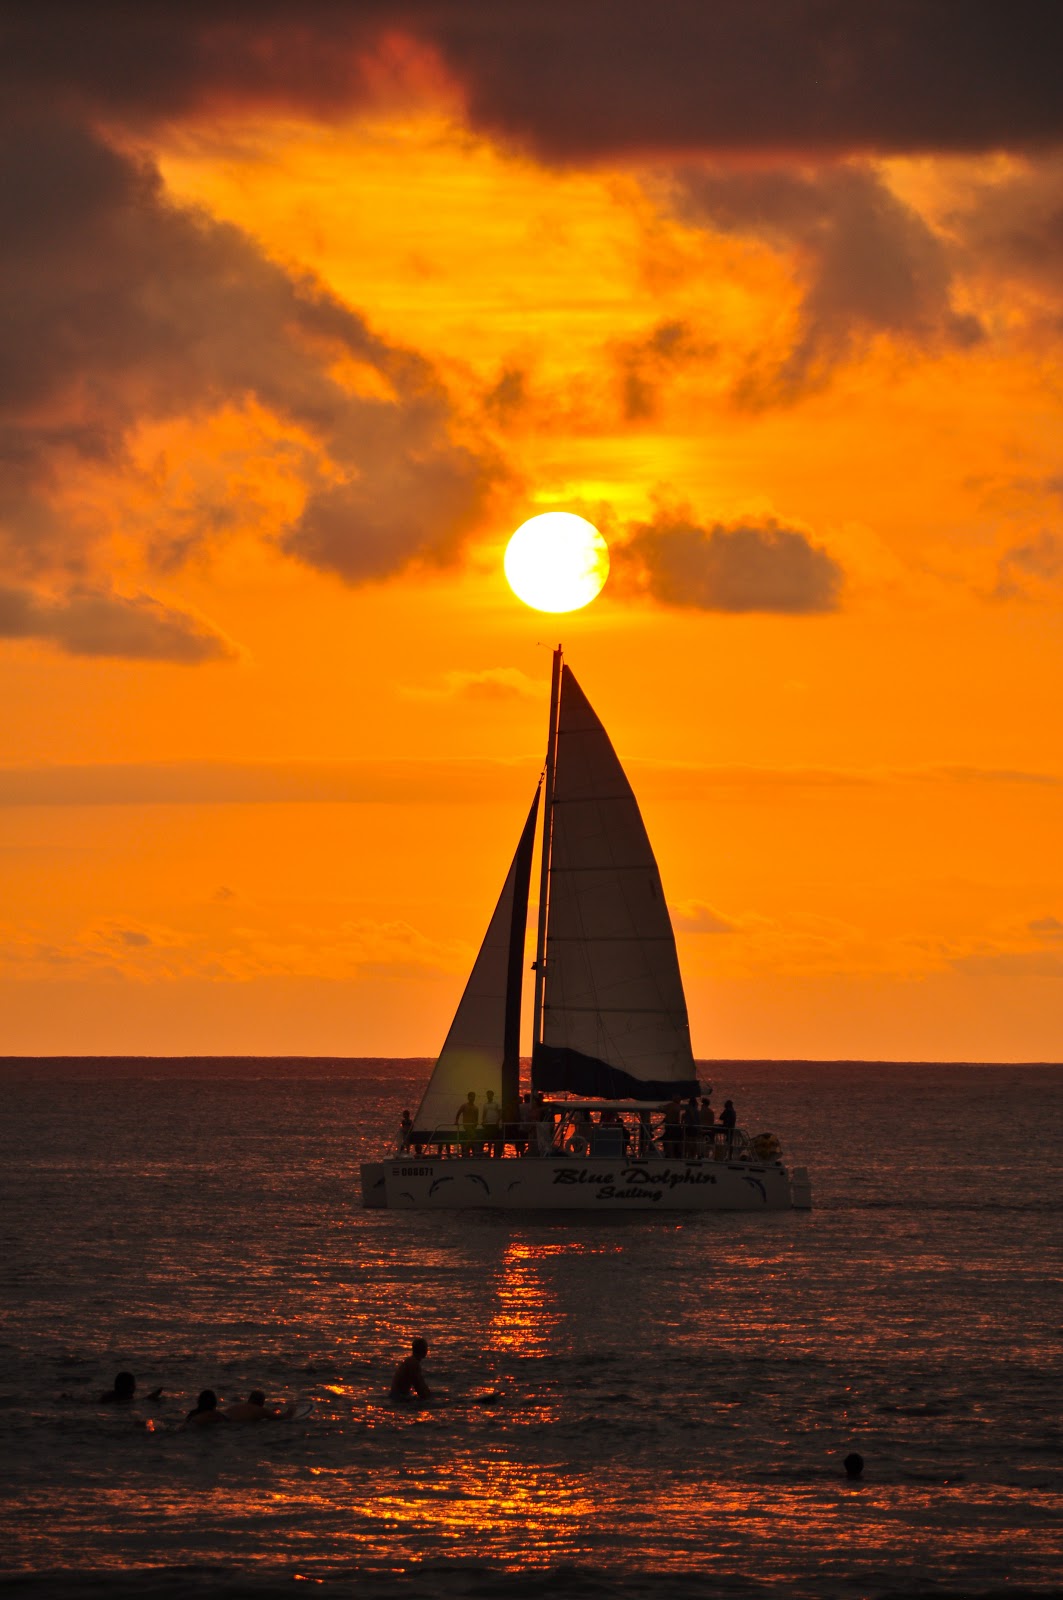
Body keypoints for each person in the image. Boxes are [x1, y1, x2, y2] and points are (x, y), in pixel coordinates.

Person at [224, 1389, 292, 1422]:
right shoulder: (260, 1410)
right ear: (262, 1402)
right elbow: (282, 1418)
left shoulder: (234, 1407)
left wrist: (271, 1411)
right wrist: (291, 1411)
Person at [98, 1371, 163, 1404]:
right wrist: (148, 1398)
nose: (135, 1386)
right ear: (130, 1387)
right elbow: (135, 1402)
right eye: (133, 1383)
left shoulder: (108, 1395)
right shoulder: (124, 1399)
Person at [455, 1091, 479, 1155]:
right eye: (471, 1096)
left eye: (474, 1097)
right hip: (466, 1125)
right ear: (468, 1097)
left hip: (473, 1126)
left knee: (470, 1138)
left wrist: (476, 1123)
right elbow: (458, 1113)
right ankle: (466, 1149)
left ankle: (467, 1152)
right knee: (474, 1136)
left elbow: (476, 1118)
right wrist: (456, 1121)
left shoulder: (476, 1108)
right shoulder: (464, 1105)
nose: (473, 1098)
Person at [481, 1089, 503, 1158]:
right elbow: (484, 1114)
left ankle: (495, 1154)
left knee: (495, 1139)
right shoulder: (485, 1105)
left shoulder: (496, 1104)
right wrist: (483, 1121)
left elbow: (500, 1113)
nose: (489, 1096)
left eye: (490, 1094)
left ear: (492, 1095)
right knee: (489, 1139)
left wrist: (498, 1121)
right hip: (488, 1124)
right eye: (488, 1094)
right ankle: (489, 1152)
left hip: (495, 1124)